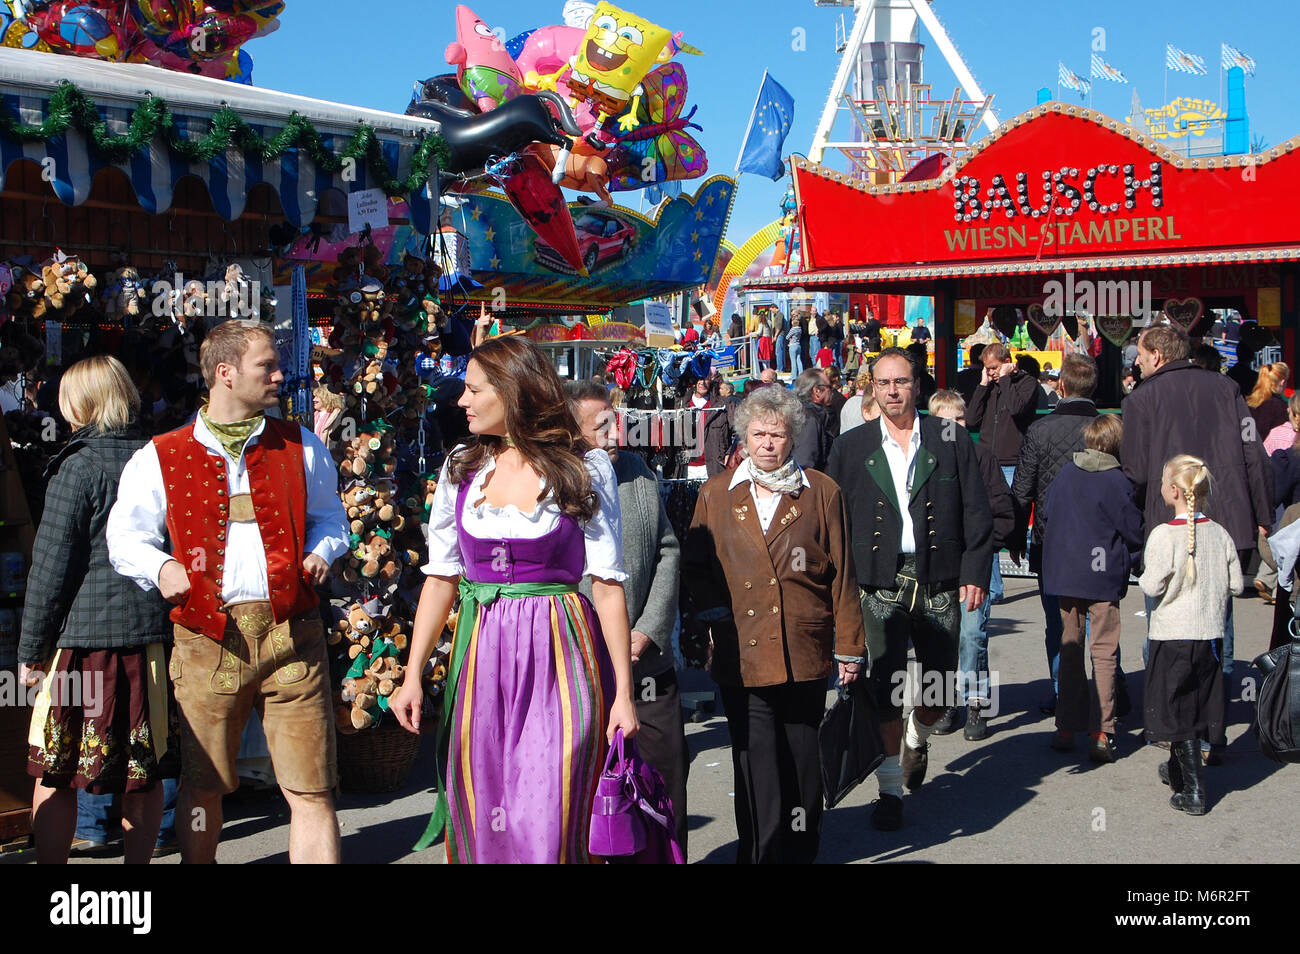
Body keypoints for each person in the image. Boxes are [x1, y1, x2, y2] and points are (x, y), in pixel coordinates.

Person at [107, 321, 350, 864]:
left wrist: (322, 550)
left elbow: (332, 519)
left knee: (310, 787)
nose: (280, 376)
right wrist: (163, 566)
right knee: (204, 784)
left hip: (293, 636)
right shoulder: (161, 454)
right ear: (225, 372)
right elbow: (124, 536)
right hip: (207, 639)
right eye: (267, 365)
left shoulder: (301, 445)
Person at [391, 337, 638, 863]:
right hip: (481, 657)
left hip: (560, 654)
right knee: (486, 803)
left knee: (550, 804)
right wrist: (412, 675)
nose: (461, 400)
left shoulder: (583, 467)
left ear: (512, 392)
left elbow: (609, 584)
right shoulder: (462, 467)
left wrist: (623, 694)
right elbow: (441, 578)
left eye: (473, 389)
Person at [684, 385, 864, 863]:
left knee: (802, 759)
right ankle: (760, 851)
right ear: (744, 435)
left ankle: (801, 849)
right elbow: (697, 569)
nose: (767, 443)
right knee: (755, 760)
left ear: (793, 438)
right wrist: (711, 621)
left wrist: (850, 645)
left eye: (778, 435)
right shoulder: (716, 494)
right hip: (741, 650)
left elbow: (843, 573)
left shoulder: (822, 492)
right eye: (759, 433)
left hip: (804, 646)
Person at [825, 348, 993, 830]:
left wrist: (975, 571)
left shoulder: (950, 436)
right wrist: (837, 585)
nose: (893, 391)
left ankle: (917, 738)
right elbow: (835, 521)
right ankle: (890, 789)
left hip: (939, 574)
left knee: (940, 689)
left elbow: (976, 509)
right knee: (885, 688)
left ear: (916, 386)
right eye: (883, 383)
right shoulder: (851, 446)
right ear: (872, 388)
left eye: (901, 382)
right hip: (878, 578)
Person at [18, 356, 175, 864]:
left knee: (55, 769)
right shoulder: (160, 458)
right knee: (143, 769)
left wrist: (30, 652)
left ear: (82, 402)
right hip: (151, 638)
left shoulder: (77, 465)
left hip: (81, 644)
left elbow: (50, 569)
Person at [566, 381, 688, 853]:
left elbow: (668, 551)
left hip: (648, 665)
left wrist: (649, 629)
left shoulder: (638, 471)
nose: (616, 433)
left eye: (616, 420)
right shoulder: (555, 480)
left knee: (667, 776)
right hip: (582, 667)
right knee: (594, 791)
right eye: (602, 425)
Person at [1121, 324, 1272, 696]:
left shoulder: (1140, 400)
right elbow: (1254, 452)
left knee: (1165, 613)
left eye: (1139, 356)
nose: (1136, 364)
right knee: (1219, 614)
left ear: (1156, 355)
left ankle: (1173, 711)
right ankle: (1214, 712)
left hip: (1166, 521)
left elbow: (1135, 473)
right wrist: (1263, 514)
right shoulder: (1226, 388)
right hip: (1225, 518)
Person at [1140, 456, 1241, 815]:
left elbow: (1151, 586)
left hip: (1173, 635)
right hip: (1210, 636)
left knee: (1176, 708)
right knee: (1197, 703)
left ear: (1172, 491)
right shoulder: (1221, 533)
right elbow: (1237, 584)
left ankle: (1194, 790)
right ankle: (1177, 769)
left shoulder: (1163, 535)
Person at [1041, 415, 1143, 762]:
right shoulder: (1117, 480)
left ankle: (1066, 727)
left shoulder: (1067, 473)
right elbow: (1132, 530)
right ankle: (1102, 731)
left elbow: (1047, 513)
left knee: (1070, 649)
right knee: (1103, 653)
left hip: (1066, 574)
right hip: (1101, 578)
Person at [1011, 354, 1105, 712]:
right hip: (1098, 539)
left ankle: (1063, 690)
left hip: (1053, 540)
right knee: (1100, 619)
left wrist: (1017, 537)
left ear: (1060, 387)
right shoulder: (1108, 427)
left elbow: (1022, 490)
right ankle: (1105, 687)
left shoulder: (1039, 430)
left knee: (1057, 621)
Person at [925, 391, 1014, 741]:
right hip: (936, 563)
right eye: (946, 422)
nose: (954, 428)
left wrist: (984, 548)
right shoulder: (924, 459)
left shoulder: (982, 456)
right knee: (940, 636)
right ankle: (945, 701)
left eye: (960, 421)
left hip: (975, 561)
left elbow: (1002, 510)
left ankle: (976, 701)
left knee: (973, 634)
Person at [966, 342, 1040, 479]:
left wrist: (1005, 378)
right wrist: (982, 385)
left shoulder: (1027, 383)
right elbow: (971, 419)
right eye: (987, 368)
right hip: (986, 461)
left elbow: (1016, 409)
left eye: (994, 367)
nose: (991, 372)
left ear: (1007, 362)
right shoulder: (989, 386)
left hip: (1012, 463)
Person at [685, 372, 735, 479]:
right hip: (687, 467)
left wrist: (729, 453)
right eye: (699, 379)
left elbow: (738, 432)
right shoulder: (682, 403)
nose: (702, 382)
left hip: (714, 466)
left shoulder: (723, 404)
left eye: (706, 379)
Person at [792, 368, 835, 472]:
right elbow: (805, 461)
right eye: (829, 387)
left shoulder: (807, 413)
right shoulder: (808, 418)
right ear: (817, 391)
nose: (832, 391)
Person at [1246, 362, 1289, 439]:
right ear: (1282, 382)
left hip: (1249, 448)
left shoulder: (1248, 403)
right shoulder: (1281, 407)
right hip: (1269, 449)